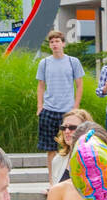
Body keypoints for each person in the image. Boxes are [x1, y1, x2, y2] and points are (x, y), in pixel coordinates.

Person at [36, 31, 85, 182]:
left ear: (63, 43)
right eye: (52, 42)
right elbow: (40, 86)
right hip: (49, 110)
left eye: (57, 41)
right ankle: (52, 182)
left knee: (72, 147)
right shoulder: (44, 63)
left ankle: (73, 180)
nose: (55, 44)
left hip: (68, 112)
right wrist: (40, 106)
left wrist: (75, 108)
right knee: (51, 149)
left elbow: (80, 85)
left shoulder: (73, 62)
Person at [49, 108, 91, 185]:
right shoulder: (58, 160)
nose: (67, 131)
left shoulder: (96, 159)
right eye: (63, 128)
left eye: (72, 127)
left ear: (86, 129)